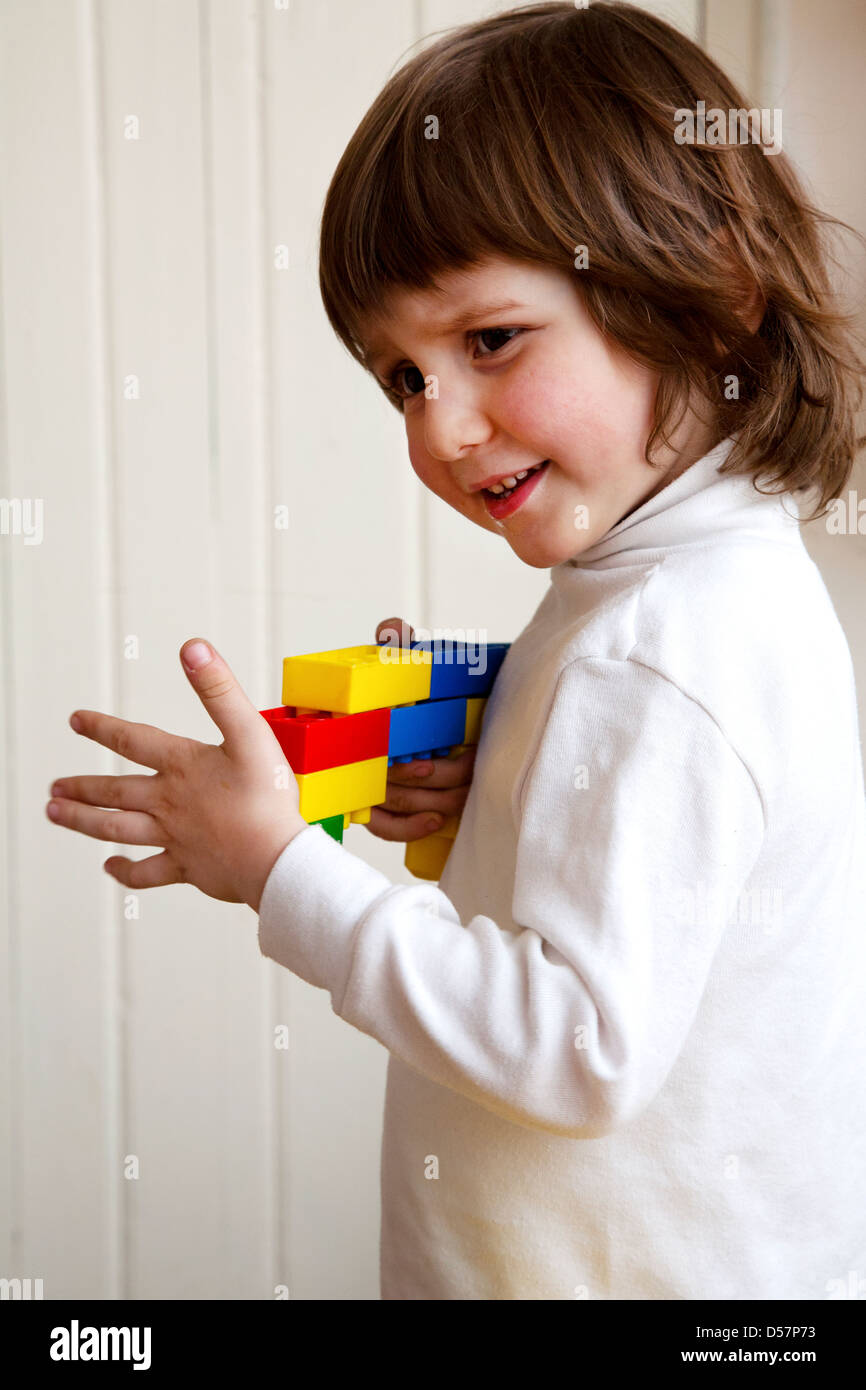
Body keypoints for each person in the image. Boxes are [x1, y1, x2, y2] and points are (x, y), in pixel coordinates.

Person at [47, 2, 866, 1299]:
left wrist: (278, 872)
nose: (440, 428)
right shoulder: (676, 587)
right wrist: (498, 780)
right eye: (402, 379)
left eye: (487, 340)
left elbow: (580, 1044)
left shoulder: (659, 646)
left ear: (705, 287)